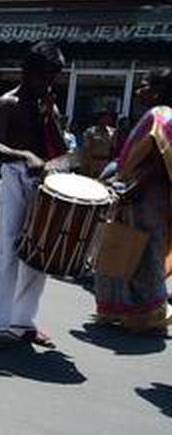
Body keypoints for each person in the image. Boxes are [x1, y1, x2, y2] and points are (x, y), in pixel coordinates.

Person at [0, 42, 68, 350]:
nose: (48, 84)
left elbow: (60, 147)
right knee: (8, 249)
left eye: (53, 79)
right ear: (28, 72)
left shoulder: (47, 105)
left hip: (42, 181)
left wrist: (50, 115)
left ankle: (22, 322)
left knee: (39, 252)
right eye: (45, 77)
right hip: (13, 178)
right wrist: (25, 154)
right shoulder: (5, 103)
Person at [95, 69, 172, 336]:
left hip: (146, 197)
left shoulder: (160, 115)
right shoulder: (159, 115)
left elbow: (159, 161)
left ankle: (150, 316)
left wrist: (134, 187)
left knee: (144, 254)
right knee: (128, 250)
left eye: (144, 85)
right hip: (141, 195)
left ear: (158, 91)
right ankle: (124, 310)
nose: (139, 90)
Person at [79, 109, 116, 178]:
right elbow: (86, 149)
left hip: (105, 162)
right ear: (99, 119)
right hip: (93, 161)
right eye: (104, 118)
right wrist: (85, 165)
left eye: (108, 118)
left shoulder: (112, 132)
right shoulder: (90, 132)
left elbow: (112, 149)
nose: (107, 120)